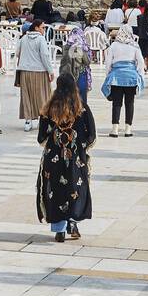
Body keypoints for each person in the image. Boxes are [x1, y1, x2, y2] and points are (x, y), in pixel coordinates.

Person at [36, 73, 96, 242]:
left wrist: (55, 142)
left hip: (53, 160)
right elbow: (92, 135)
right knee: (75, 189)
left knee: (55, 191)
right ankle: (72, 222)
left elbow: (41, 138)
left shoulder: (48, 109)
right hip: (76, 159)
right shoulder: (82, 108)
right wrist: (80, 147)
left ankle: (60, 230)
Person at [100, 25, 146, 137]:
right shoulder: (134, 45)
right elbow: (140, 62)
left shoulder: (114, 45)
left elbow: (108, 62)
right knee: (129, 103)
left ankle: (115, 129)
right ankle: (128, 129)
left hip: (116, 77)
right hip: (131, 77)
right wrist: (140, 75)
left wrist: (108, 75)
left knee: (117, 103)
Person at [16, 14, 56, 132]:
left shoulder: (23, 38)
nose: (44, 30)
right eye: (42, 27)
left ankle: (28, 121)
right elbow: (45, 56)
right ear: (36, 28)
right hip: (39, 71)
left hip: (25, 71)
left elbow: (17, 52)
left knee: (27, 96)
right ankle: (42, 121)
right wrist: (50, 71)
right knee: (42, 96)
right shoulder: (41, 39)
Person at [60, 23, 92, 105]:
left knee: (69, 99)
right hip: (80, 74)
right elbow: (87, 62)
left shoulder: (66, 47)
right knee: (81, 100)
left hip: (67, 76)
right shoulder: (81, 47)